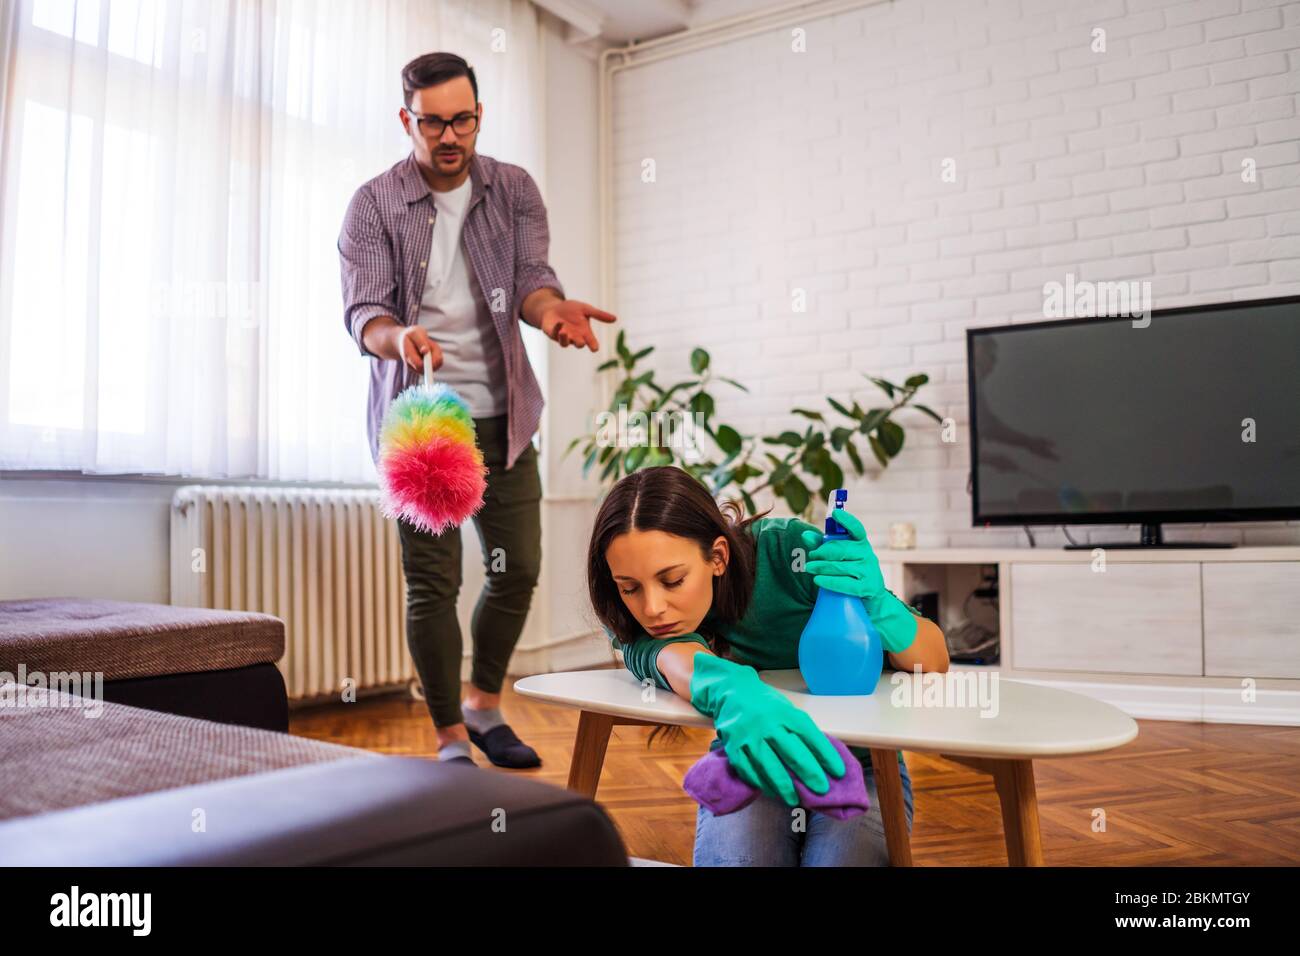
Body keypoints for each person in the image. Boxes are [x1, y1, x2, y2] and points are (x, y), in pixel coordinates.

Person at [339, 51, 616, 767]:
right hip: (423, 423)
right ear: (409, 120)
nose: (449, 135)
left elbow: (532, 280)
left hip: (506, 417)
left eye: (462, 119)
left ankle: (484, 704)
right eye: (433, 122)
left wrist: (551, 312)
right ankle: (448, 735)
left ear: (479, 115)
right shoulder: (373, 204)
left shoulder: (514, 189)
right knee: (434, 580)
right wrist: (400, 337)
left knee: (517, 566)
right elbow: (363, 312)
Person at [587, 466, 950, 865]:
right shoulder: (623, 610)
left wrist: (879, 605)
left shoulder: (790, 554)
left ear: (718, 557)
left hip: (861, 767)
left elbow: (933, 659)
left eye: (672, 580)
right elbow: (669, 656)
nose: (652, 608)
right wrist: (731, 692)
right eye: (630, 587)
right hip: (750, 761)